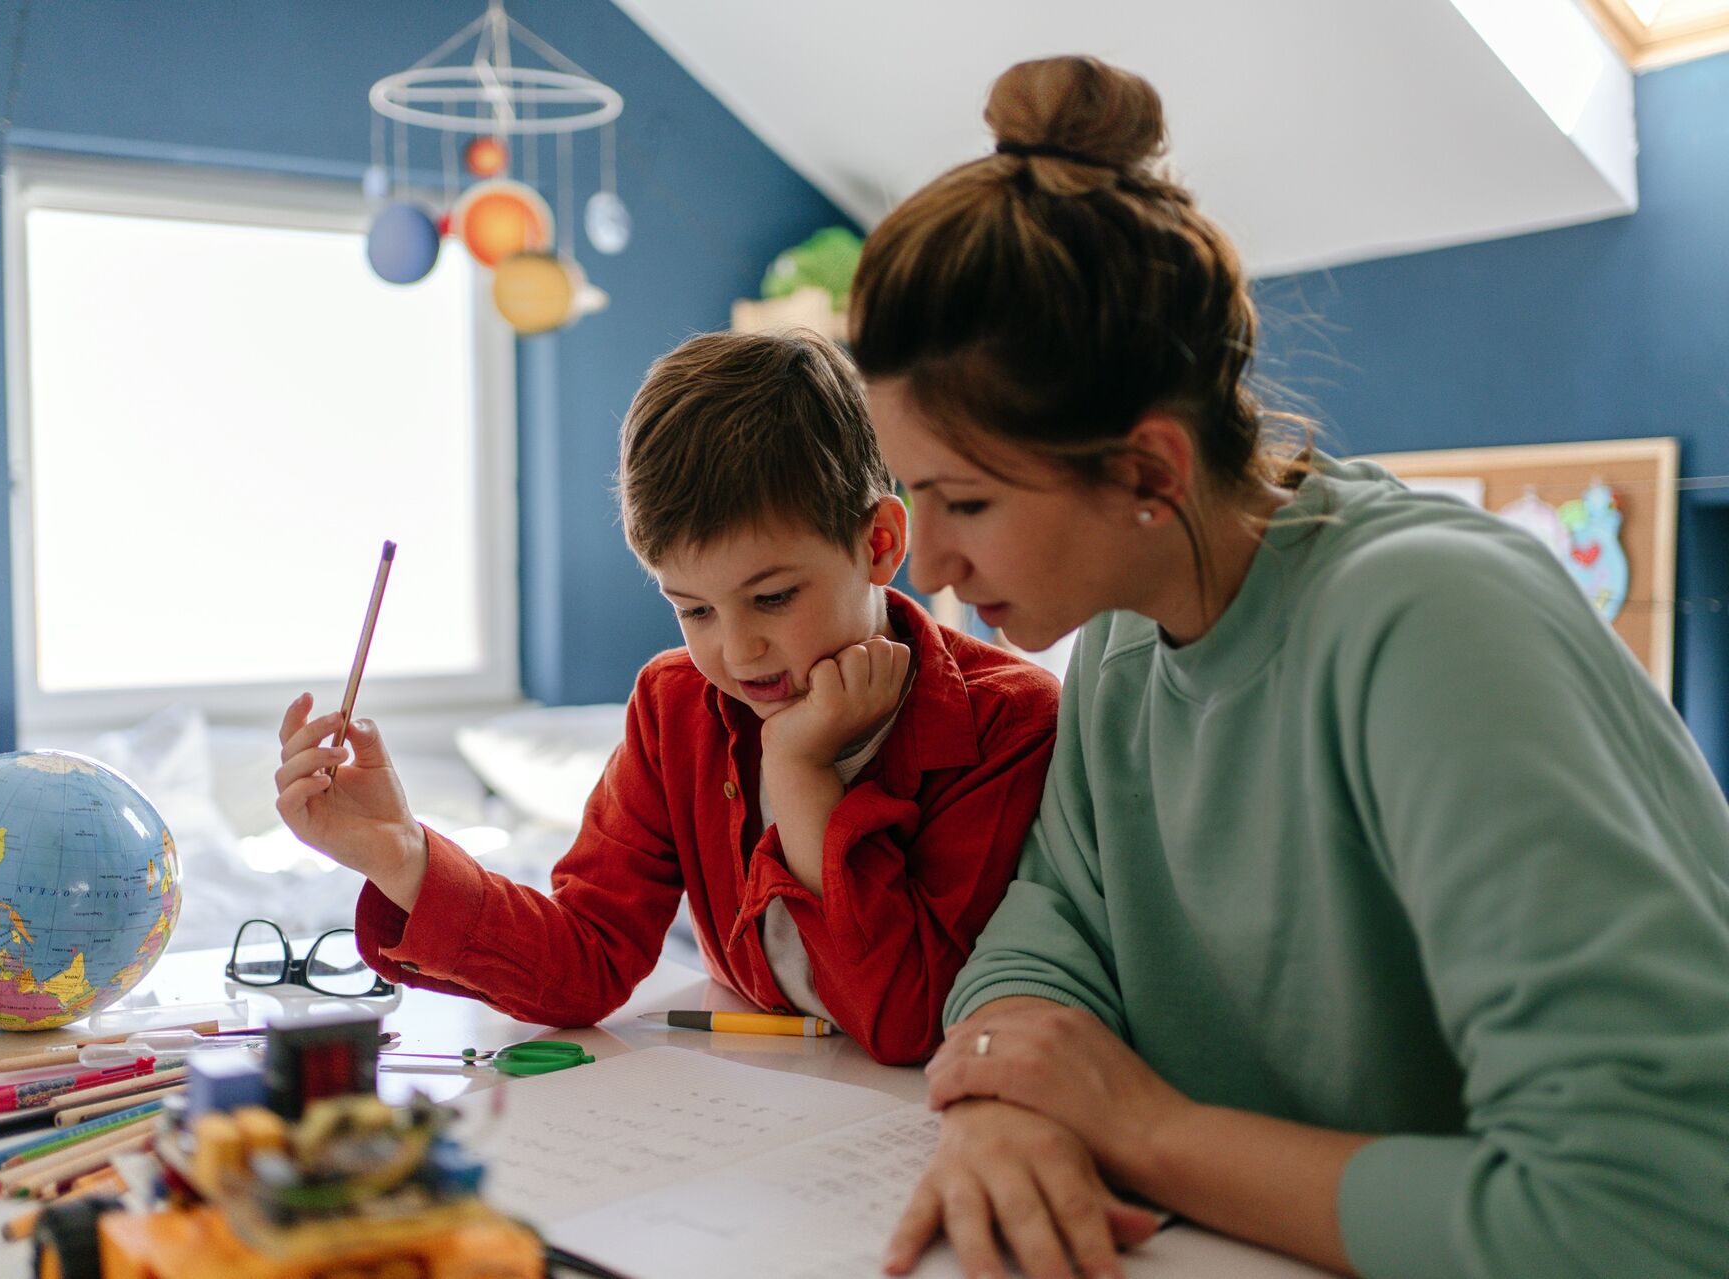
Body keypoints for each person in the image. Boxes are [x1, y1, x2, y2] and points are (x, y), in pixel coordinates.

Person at [853, 54, 1729, 1279]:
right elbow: (1048, 925)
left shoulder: (1431, 625)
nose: (929, 560)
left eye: (967, 501)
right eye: (911, 494)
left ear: (1150, 473)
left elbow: (1650, 1216)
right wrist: (1007, 1100)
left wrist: (1145, 1129)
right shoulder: (1120, 636)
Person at [273, 330, 1060, 1066]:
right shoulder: (674, 704)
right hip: (748, 1109)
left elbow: (908, 1021)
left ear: (880, 542)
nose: (738, 649)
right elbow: (586, 958)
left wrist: (799, 773)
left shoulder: (1008, 721)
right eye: (694, 609)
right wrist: (400, 855)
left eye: (775, 596)